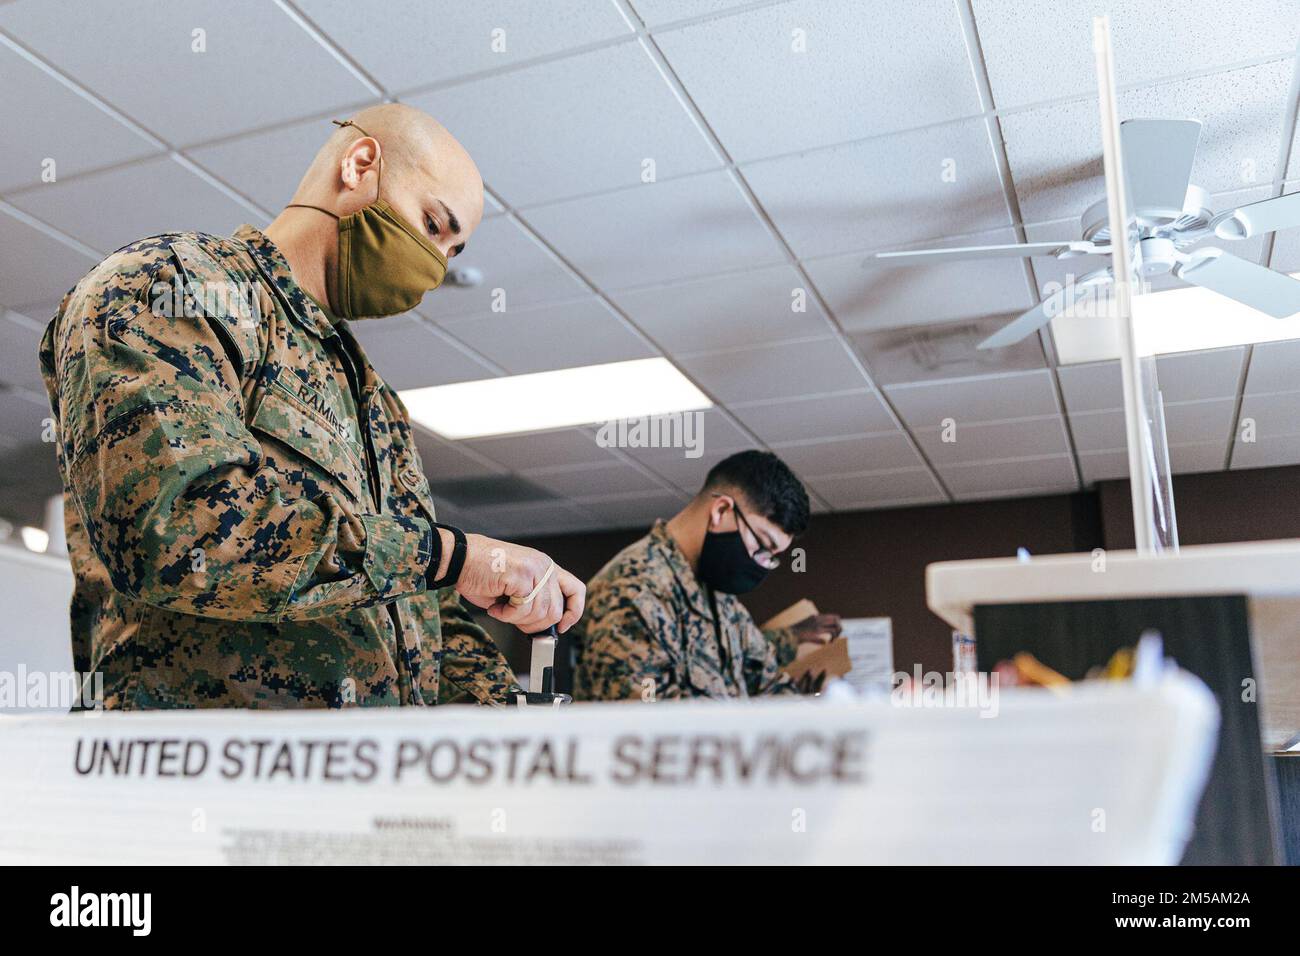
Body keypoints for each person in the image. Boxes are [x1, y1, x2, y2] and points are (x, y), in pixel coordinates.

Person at [39, 104, 584, 709]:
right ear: (360, 164)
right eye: (433, 225)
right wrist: (450, 554)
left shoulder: (371, 398)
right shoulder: (174, 287)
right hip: (207, 777)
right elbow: (176, 534)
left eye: (452, 254)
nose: (433, 270)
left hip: (362, 781)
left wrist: (519, 727)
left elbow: (422, 613)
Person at [574, 450, 839, 701]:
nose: (761, 564)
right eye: (762, 545)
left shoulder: (718, 594)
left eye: (771, 556)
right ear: (721, 510)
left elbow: (766, 679)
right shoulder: (633, 590)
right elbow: (654, 730)